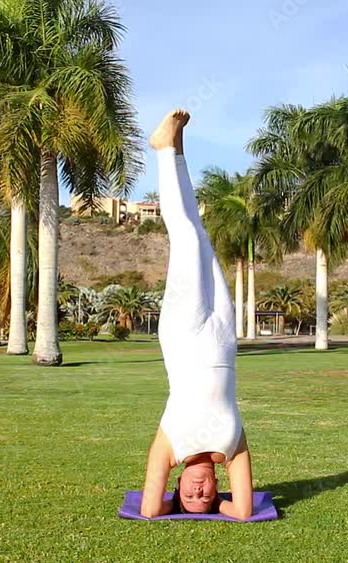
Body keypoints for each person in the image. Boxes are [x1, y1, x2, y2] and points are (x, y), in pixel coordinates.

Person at [139, 109, 254, 521]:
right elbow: (242, 512)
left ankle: (162, 149)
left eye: (188, 498)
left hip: (184, 339)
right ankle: (177, 149)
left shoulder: (170, 446)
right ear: (216, 488)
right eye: (204, 499)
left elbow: (151, 510)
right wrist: (221, 506)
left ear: (177, 487)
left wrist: (171, 506)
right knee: (201, 239)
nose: (197, 493)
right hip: (222, 338)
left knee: (185, 239)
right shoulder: (232, 447)